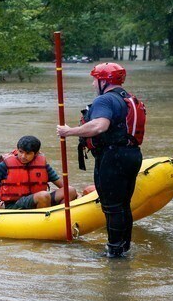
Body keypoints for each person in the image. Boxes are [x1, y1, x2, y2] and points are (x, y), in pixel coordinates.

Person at [57, 62, 143, 258]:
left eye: (95, 80)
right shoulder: (129, 98)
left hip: (113, 157)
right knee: (123, 204)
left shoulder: (104, 100)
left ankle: (114, 251)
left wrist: (69, 131)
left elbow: (99, 126)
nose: (93, 84)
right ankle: (124, 246)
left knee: (112, 206)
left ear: (105, 80)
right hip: (132, 154)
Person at [0, 136, 77, 210]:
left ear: (36, 153)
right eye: (21, 152)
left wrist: (77, 196)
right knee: (43, 195)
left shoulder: (42, 164)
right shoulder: (6, 165)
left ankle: (60, 216)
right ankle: (43, 221)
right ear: (17, 149)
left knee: (71, 190)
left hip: (39, 200)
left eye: (28, 153)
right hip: (15, 204)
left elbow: (63, 186)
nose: (23, 156)